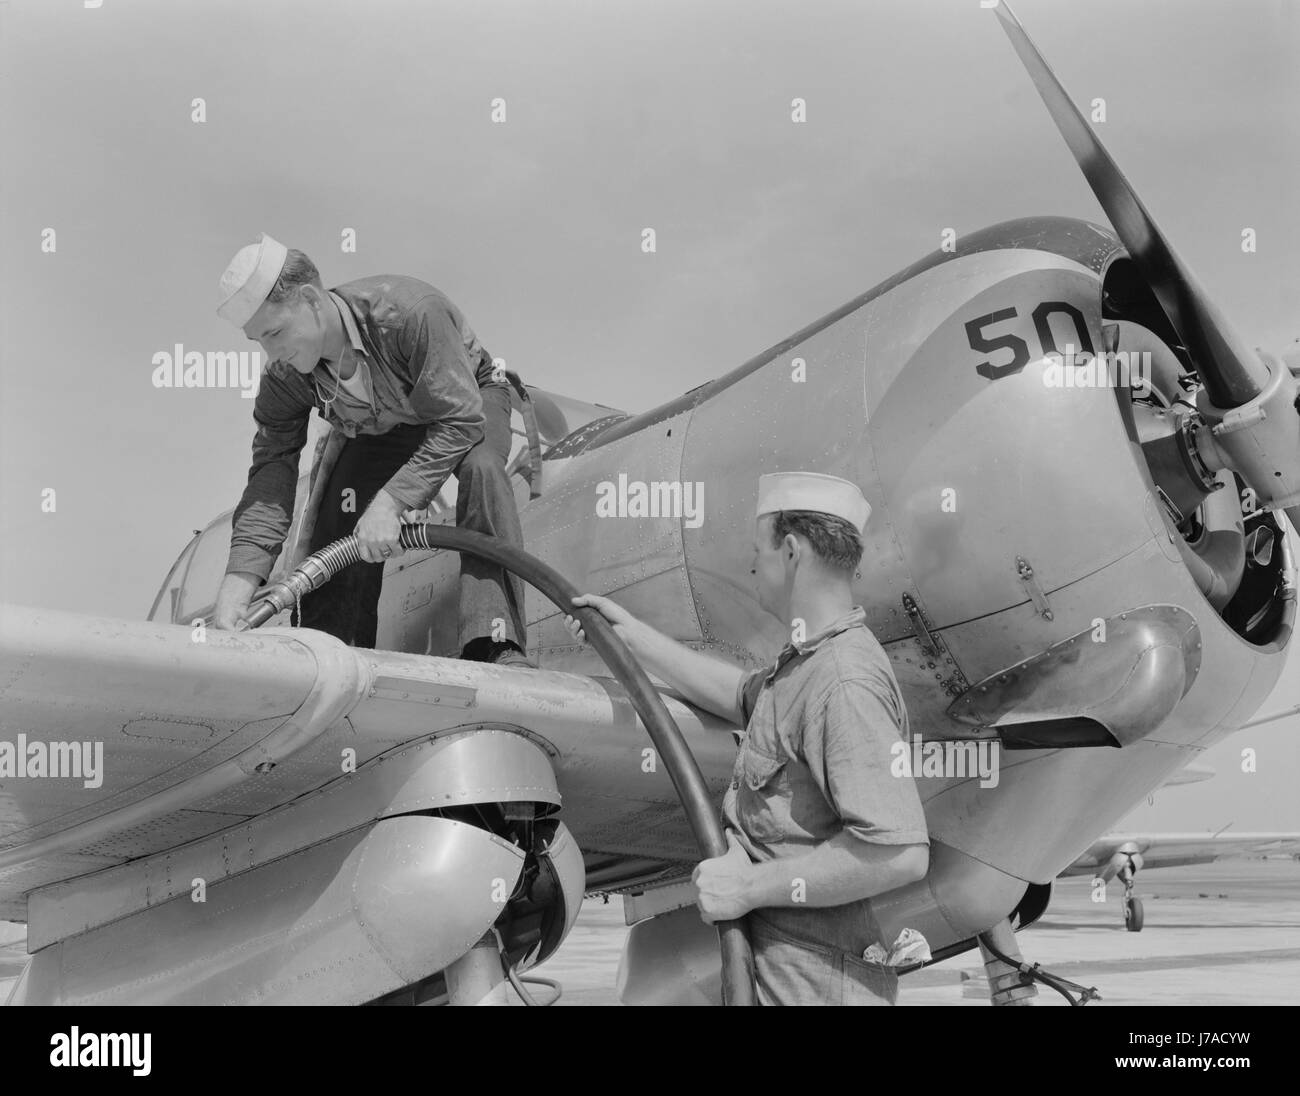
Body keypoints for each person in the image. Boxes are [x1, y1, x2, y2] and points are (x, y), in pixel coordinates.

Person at [565, 471, 929, 1004]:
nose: (751, 565)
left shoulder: (843, 681)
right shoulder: (805, 666)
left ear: (790, 550)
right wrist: (630, 637)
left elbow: (899, 853)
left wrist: (747, 888)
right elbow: (739, 694)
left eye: (757, 549)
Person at [211, 233, 533, 665]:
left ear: (310, 298)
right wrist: (240, 580)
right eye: (259, 341)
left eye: (275, 332)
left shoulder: (411, 314)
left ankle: (494, 643)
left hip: (464, 400)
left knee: (483, 469)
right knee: (341, 507)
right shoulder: (284, 377)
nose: (273, 353)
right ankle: (329, 657)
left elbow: (460, 420)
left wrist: (393, 502)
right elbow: (271, 473)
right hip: (383, 428)